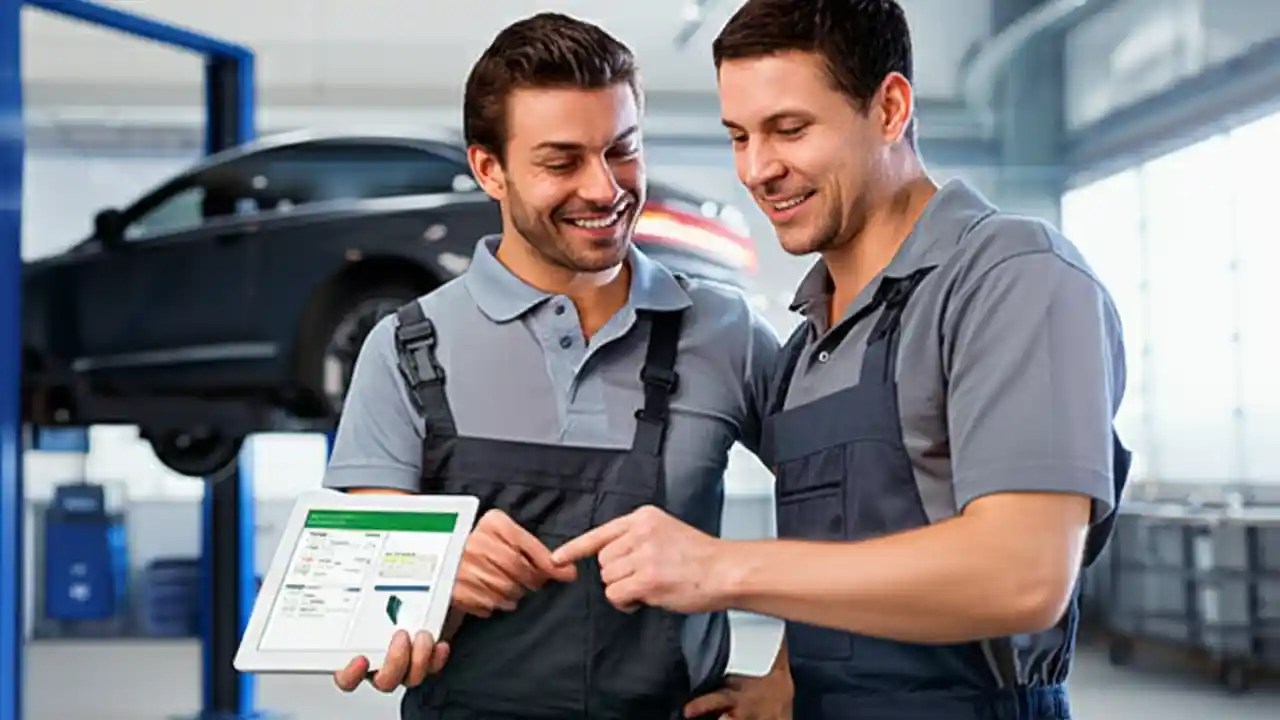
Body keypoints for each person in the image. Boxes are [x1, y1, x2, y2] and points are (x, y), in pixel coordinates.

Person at [550, 1, 1132, 719]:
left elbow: (1022, 576)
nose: (758, 169)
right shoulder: (805, 345)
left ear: (889, 109)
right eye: (739, 136)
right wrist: (787, 682)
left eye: (790, 129)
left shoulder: (1011, 278)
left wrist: (722, 567)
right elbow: (840, 543)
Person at [321, 12, 792, 720]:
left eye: (622, 151)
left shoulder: (725, 331)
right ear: (490, 170)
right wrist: (435, 564)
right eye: (561, 162)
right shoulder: (405, 347)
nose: (604, 190)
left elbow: (847, 493)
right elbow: (363, 586)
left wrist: (791, 675)